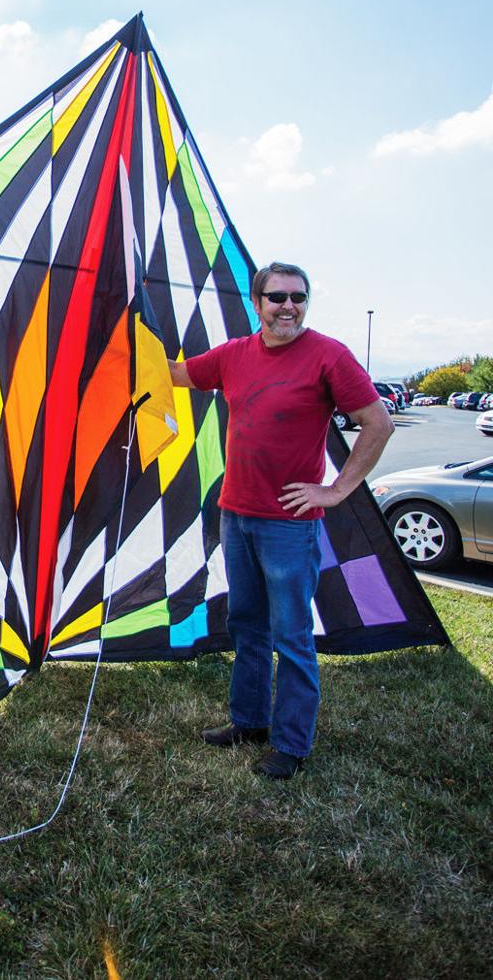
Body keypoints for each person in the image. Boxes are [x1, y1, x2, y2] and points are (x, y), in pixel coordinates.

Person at [168, 262, 393, 779]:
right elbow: (180, 375)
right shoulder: (234, 355)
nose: (288, 306)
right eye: (277, 297)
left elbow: (377, 423)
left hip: (290, 525)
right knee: (247, 625)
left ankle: (291, 744)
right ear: (257, 302)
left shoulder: (328, 355)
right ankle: (249, 722)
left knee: (291, 634)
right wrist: (129, 340)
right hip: (237, 515)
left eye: (298, 296)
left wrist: (336, 490)